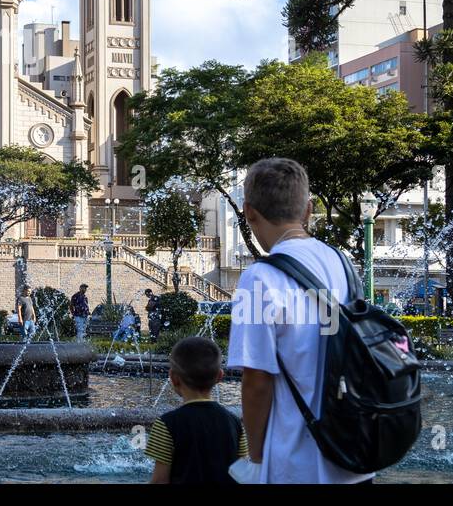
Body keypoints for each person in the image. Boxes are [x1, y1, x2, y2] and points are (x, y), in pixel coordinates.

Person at [227, 157, 374, 484]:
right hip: (355, 455)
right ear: (308, 209)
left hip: (296, 464)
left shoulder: (258, 278)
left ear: (249, 211)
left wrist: (255, 458)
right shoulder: (342, 262)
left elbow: (256, 380)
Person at [145, 336, 248, 484]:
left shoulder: (166, 425)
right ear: (220, 376)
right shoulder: (235, 423)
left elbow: (159, 481)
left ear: (173, 378)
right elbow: (243, 475)